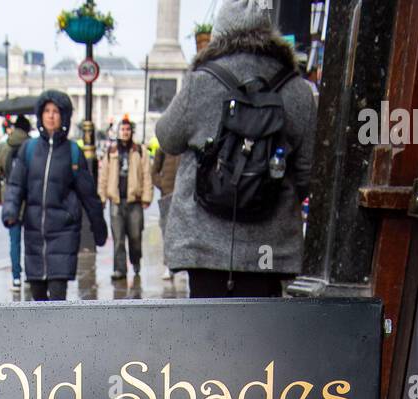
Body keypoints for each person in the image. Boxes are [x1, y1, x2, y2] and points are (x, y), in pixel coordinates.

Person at [155, 0, 316, 299]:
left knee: (206, 336)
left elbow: (167, 138)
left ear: (220, 33)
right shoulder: (297, 90)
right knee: (263, 338)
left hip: (204, 245)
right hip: (269, 247)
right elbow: (307, 173)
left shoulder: (201, 82)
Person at [2, 90, 107, 302]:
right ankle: (40, 336)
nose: (51, 116)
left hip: (63, 233)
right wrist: (11, 211)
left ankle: (58, 336)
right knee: (37, 298)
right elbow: (16, 185)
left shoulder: (73, 152)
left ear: (64, 116)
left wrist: (99, 228)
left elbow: (89, 195)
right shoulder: (29, 149)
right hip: (34, 234)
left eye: (56, 111)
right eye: (47, 111)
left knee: (57, 296)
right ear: (40, 115)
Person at [98, 117, 152, 283]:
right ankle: (120, 269)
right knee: (118, 238)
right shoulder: (111, 152)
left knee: (135, 236)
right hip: (116, 200)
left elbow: (146, 175)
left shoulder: (140, 151)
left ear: (131, 132)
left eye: (127, 130)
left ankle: (135, 261)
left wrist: (146, 197)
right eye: (123, 130)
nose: (125, 132)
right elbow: (104, 176)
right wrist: (102, 196)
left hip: (134, 200)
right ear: (119, 132)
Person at [0, 115, 31, 291]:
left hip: (10, 197)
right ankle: (31, 275)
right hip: (30, 198)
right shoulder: (31, 146)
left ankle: (16, 278)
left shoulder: (4, 147)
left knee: (14, 241)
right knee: (31, 240)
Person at [151, 146, 180, 280]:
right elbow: (154, 172)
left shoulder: (187, 147)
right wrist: (162, 184)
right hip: (167, 194)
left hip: (184, 195)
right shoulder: (163, 147)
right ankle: (169, 266)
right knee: (167, 232)